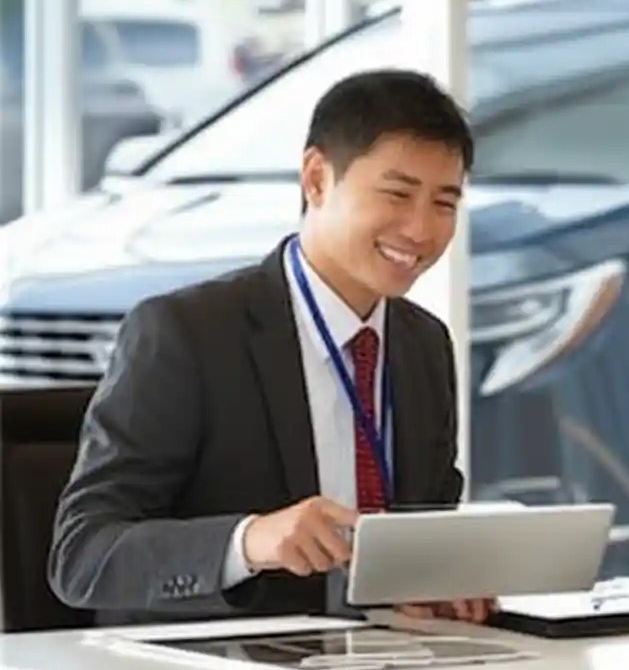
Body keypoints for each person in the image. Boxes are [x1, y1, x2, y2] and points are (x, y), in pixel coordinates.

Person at [48, 69, 491, 626]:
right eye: (398, 194)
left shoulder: (421, 344)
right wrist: (250, 542)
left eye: (444, 204)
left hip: (379, 660)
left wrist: (443, 583)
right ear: (317, 179)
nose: (421, 230)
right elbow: (85, 555)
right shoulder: (187, 333)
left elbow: (423, 538)